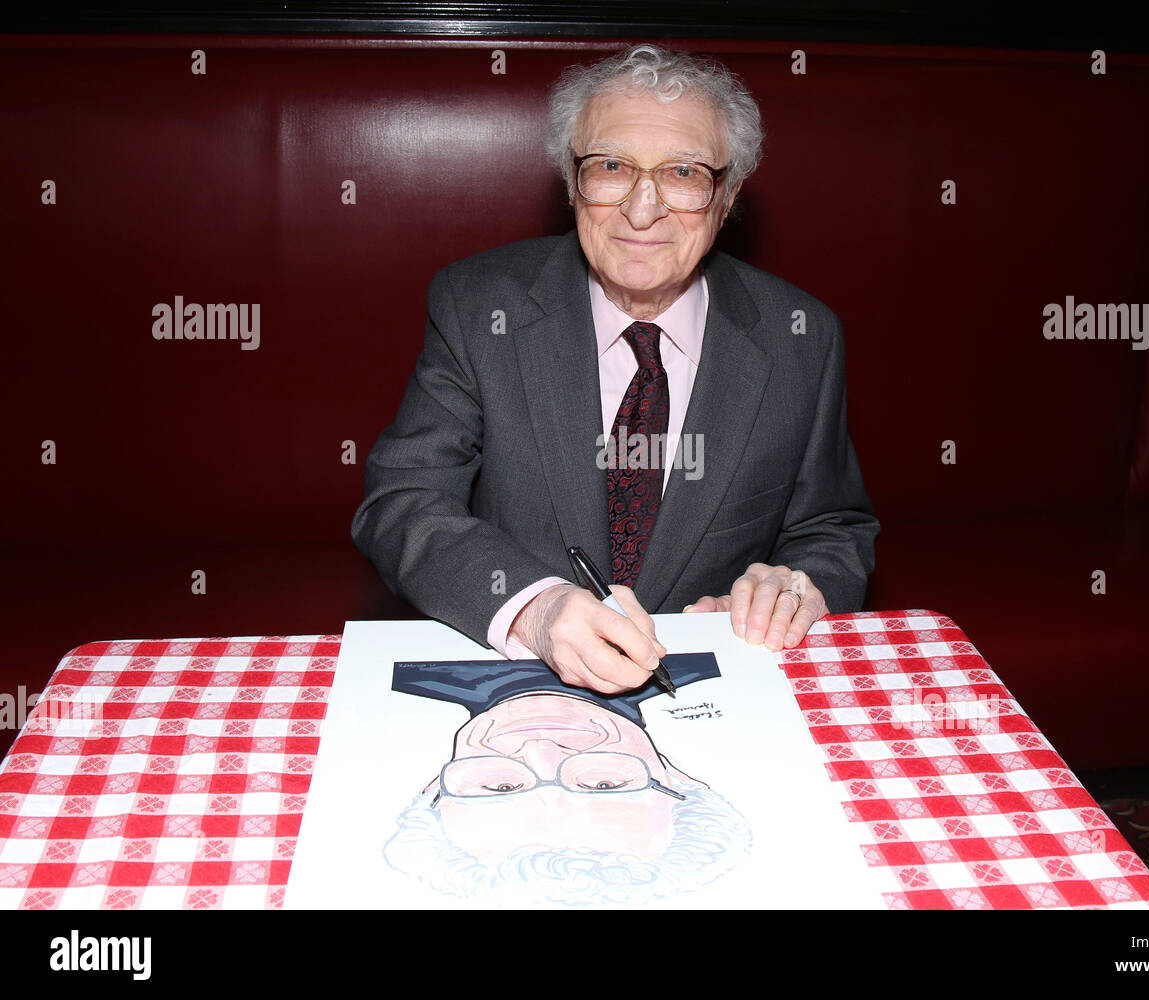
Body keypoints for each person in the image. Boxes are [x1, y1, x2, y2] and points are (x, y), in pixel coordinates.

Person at [353, 43, 878, 699]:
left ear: (728, 194)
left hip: (723, 689)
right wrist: (534, 609)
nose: (642, 208)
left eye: (683, 172)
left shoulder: (803, 337)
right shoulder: (477, 305)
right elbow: (403, 503)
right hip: (515, 680)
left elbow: (832, 529)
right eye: (611, 166)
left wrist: (797, 587)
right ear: (572, 184)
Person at [385, 658, 750, 905]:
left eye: (500, 787)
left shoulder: (395, 670)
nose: (539, 749)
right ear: (679, 779)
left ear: (431, 789)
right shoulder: (724, 660)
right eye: (604, 783)